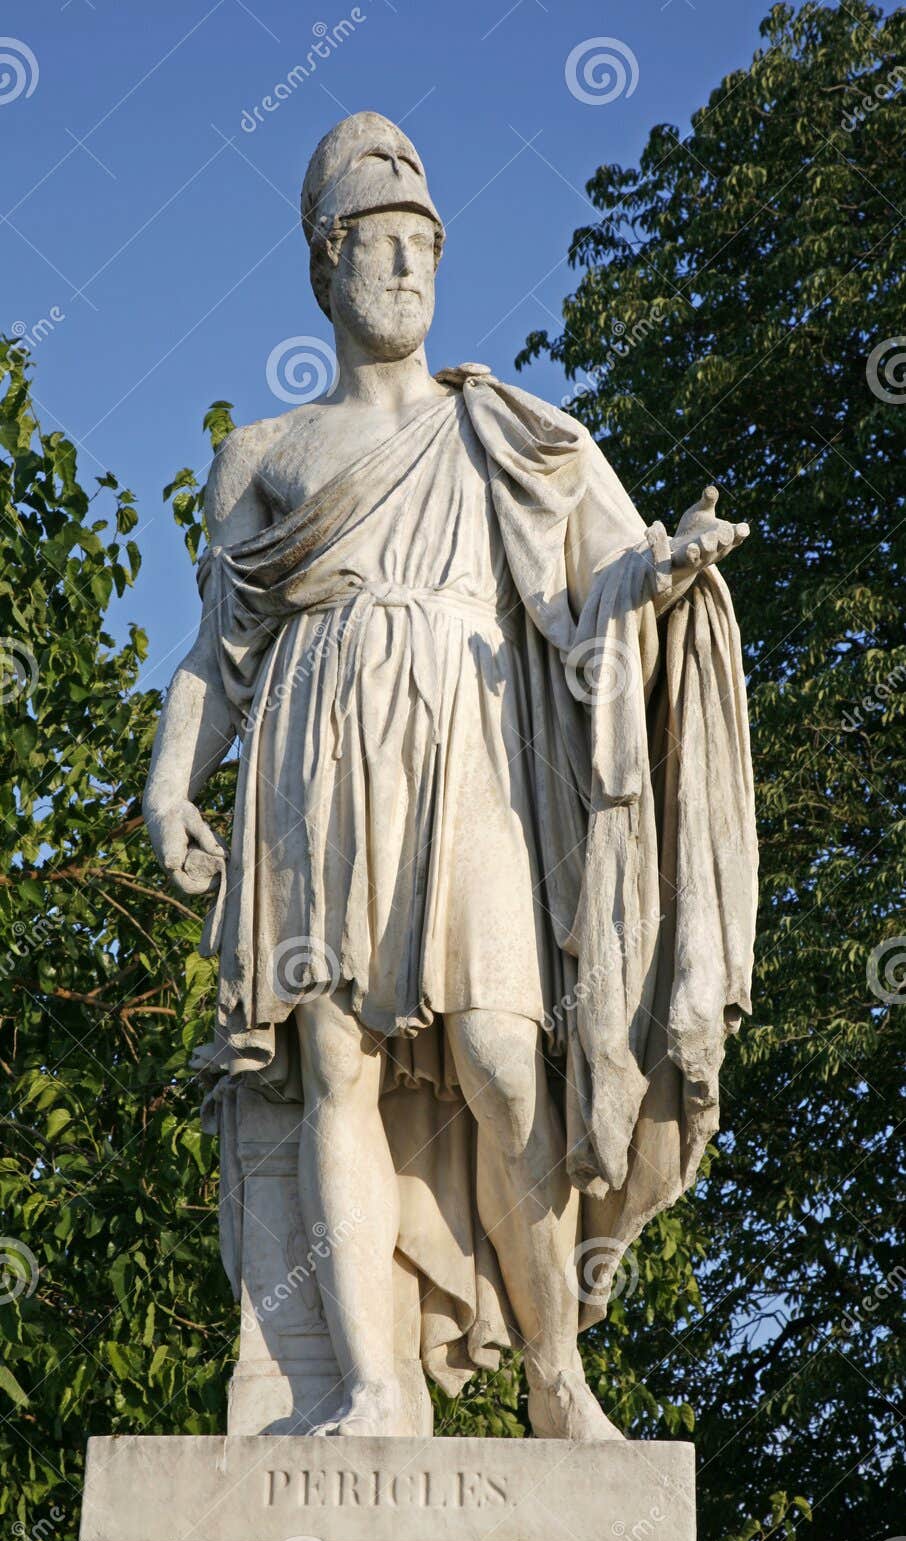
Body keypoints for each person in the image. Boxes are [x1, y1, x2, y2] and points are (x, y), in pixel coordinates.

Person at [144, 112, 757, 1438]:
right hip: (314, 757)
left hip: (468, 750)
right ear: (325, 262)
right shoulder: (264, 456)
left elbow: (600, 585)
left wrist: (661, 575)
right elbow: (216, 656)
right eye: (379, 242)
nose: (407, 265)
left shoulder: (507, 432)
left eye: (424, 243)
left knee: (502, 1055)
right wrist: (168, 784)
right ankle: (371, 1384)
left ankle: (555, 1371)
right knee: (335, 1063)